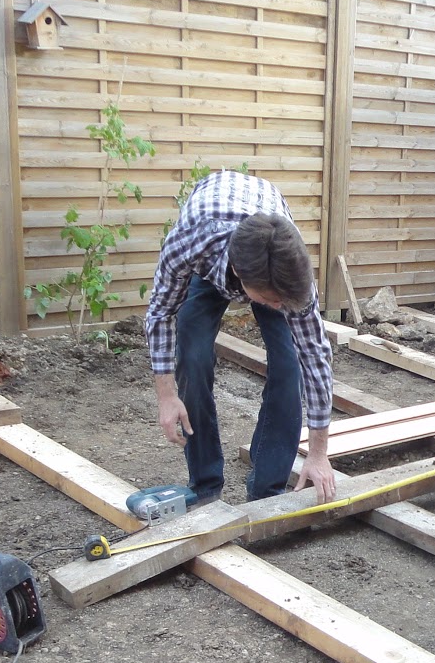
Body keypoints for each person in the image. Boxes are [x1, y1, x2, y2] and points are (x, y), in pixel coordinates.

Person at [142, 169, 336, 505]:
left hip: (263, 240)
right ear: (239, 275)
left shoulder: (291, 273)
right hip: (212, 255)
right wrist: (166, 396)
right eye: (272, 300)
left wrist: (319, 454)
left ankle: (268, 490)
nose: (280, 307)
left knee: (290, 367)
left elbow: (315, 359)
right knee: (192, 357)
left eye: (283, 300)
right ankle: (204, 486)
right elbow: (160, 313)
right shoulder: (191, 243)